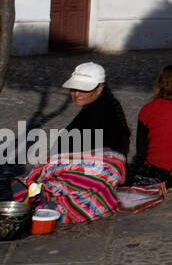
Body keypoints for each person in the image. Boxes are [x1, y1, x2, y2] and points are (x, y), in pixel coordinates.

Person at [10, 63, 129, 223]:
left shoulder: (100, 114)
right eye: (73, 89)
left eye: (83, 89)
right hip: (84, 168)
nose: (76, 94)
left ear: (99, 88)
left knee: (24, 187)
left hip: (92, 174)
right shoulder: (98, 108)